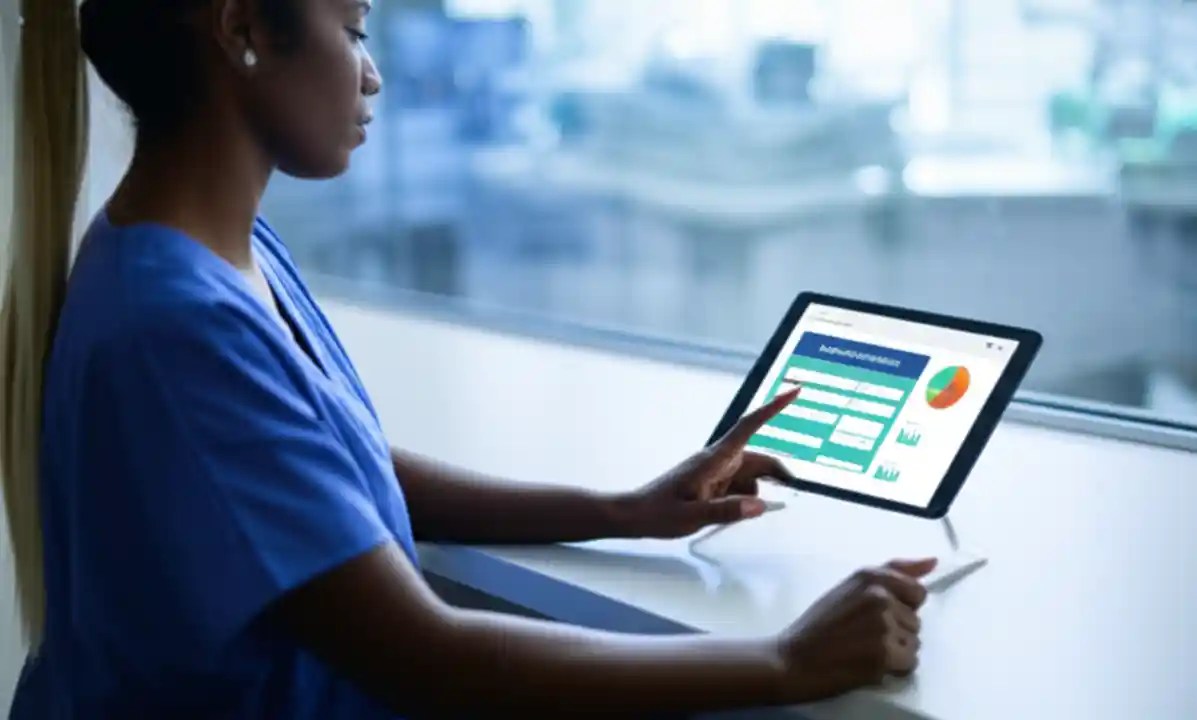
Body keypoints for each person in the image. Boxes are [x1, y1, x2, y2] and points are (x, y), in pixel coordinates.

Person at [2, 0, 936, 716]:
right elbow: (429, 658)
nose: (371, 78)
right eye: (353, 28)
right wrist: (786, 661)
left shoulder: (203, 252)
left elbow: (330, 466)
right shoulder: (177, 320)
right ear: (242, 28)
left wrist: (622, 510)